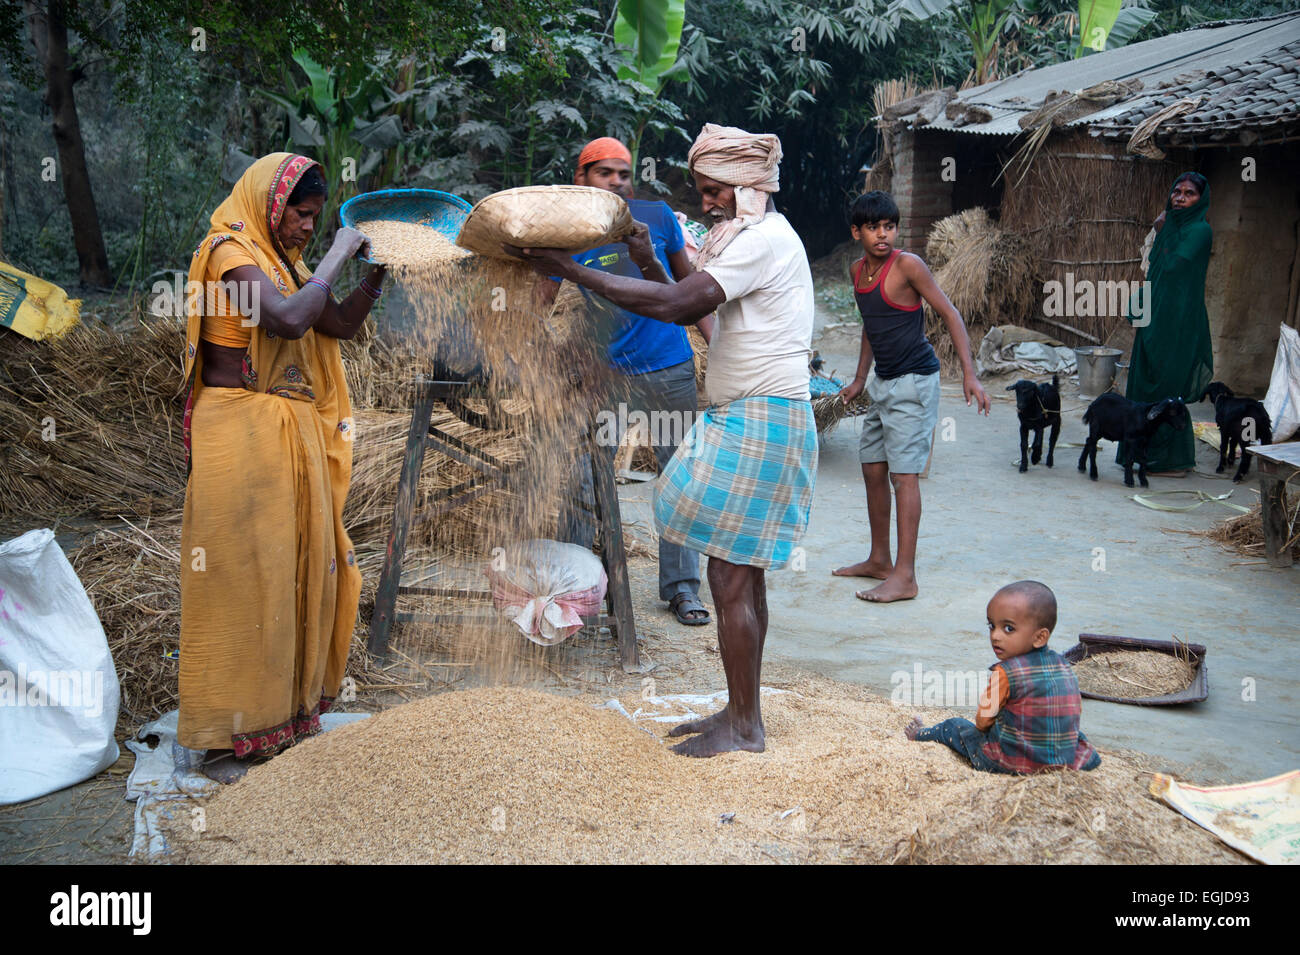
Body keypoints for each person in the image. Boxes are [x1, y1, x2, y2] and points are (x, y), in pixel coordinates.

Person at [508, 124, 816, 757]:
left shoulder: (763, 240)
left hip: (762, 416)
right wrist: (646, 255)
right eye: (700, 190)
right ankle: (739, 711)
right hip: (753, 413)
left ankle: (746, 726)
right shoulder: (750, 239)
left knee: (729, 575)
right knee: (740, 573)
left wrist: (572, 270)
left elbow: (678, 307)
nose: (704, 202)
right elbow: (689, 295)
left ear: (745, 186)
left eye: (712, 191)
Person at [178, 152, 384, 782]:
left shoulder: (285, 265)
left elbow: (338, 323)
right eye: (301, 215)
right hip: (237, 434)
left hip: (284, 435)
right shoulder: (228, 254)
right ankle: (224, 739)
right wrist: (339, 252)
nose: (305, 227)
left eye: (317, 219)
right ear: (272, 203)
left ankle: (283, 718)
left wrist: (376, 274)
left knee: (298, 571)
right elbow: (290, 321)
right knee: (242, 581)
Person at [556, 136, 713, 626]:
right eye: (605, 173)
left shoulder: (658, 218)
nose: (617, 182)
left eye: (623, 173)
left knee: (678, 481)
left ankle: (682, 589)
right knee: (584, 479)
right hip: (607, 380)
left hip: (668, 370)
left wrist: (721, 348)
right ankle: (577, 585)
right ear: (580, 179)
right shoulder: (568, 233)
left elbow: (689, 292)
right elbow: (543, 304)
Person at [832, 191, 989, 603]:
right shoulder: (856, 272)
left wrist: (970, 375)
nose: (882, 235)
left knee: (904, 477)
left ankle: (906, 577)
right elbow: (871, 325)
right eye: (873, 227)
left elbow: (950, 314)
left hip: (914, 382)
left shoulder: (908, 266)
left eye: (889, 227)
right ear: (857, 232)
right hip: (882, 383)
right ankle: (880, 559)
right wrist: (858, 379)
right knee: (871, 468)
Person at [905, 581, 1100, 774]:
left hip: (1013, 762)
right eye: (992, 626)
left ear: (1040, 637)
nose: (995, 636)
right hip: (1062, 761)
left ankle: (919, 734)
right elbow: (1073, 712)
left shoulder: (1005, 672)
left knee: (954, 727)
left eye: (1008, 629)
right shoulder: (1064, 665)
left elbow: (983, 722)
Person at [1119, 171, 1213, 476]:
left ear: (1201, 200)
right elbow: (1155, 273)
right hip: (1155, 315)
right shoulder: (1169, 227)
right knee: (1142, 380)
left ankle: (1172, 461)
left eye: (1189, 194)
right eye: (1177, 192)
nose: (1181, 198)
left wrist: (1162, 231)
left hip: (1180, 321)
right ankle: (1137, 453)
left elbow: (1174, 266)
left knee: (1168, 388)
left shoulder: (1200, 231)